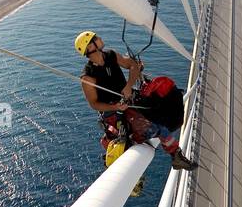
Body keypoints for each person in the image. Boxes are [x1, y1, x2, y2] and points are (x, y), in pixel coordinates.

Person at [75, 31, 196, 171]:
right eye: (95, 38)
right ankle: (176, 156)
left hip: (131, 99)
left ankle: (125, 137)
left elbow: (133, 65)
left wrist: (128, 86)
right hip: (115, 112)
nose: (100, 38)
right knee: (157, 129)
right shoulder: (88, 77)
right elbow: (94, 104)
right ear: (90, 47)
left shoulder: (111, 55)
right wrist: (116, 106)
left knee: (165, 104)